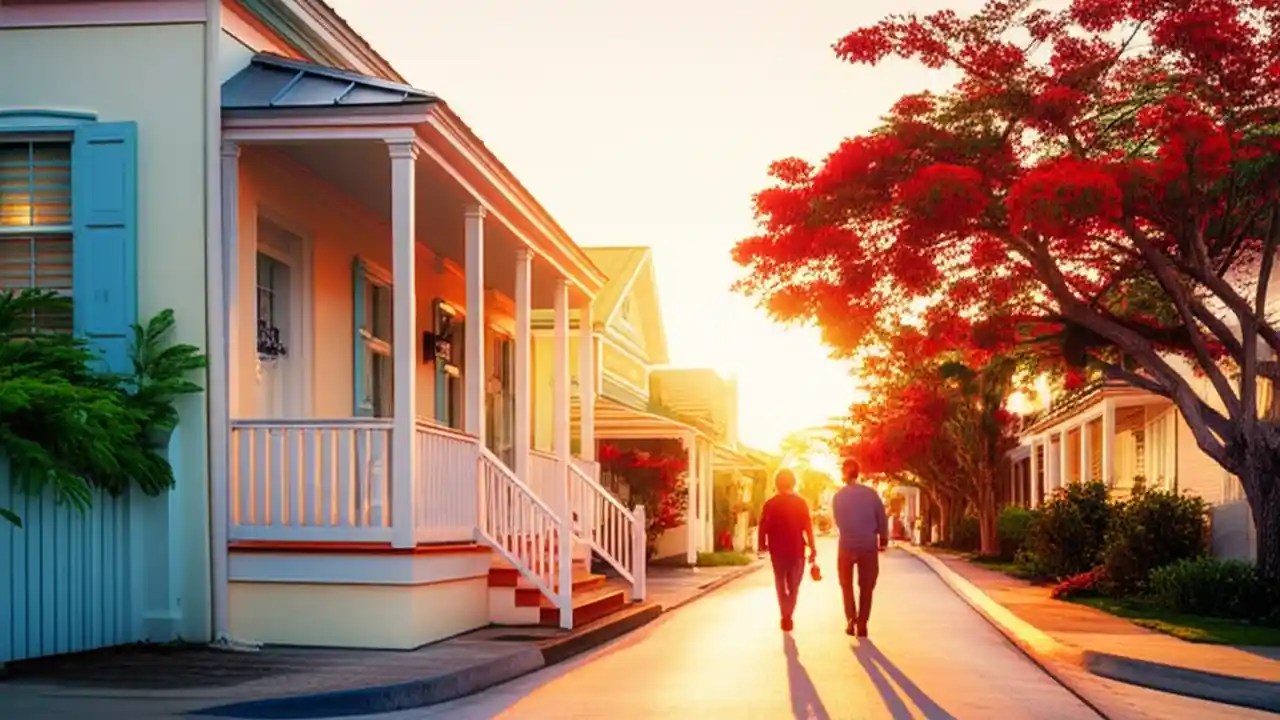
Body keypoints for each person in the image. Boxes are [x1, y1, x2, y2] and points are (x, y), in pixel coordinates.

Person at [831, 458, 888, 638]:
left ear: (843, 474)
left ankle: (850, 618)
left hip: (847, 545)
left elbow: (839, 521)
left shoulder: (838, 496)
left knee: (846, 584)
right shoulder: (871, 494)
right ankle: (862, 623)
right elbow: (882, 517)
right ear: (858, 472)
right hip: (868, 546)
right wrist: (883, 538)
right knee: (867, 585)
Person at [757, 469, 816, 632]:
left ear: (776, 484)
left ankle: (785, 613)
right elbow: (808, 527)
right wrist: (813, 548)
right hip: (796, 549)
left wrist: (762, 545)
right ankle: (788, 612)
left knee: (780, 582)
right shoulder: (800, 503)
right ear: (793, 483)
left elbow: (763, 526)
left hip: (777, 550)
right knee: (794, 584)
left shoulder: (770, 504)